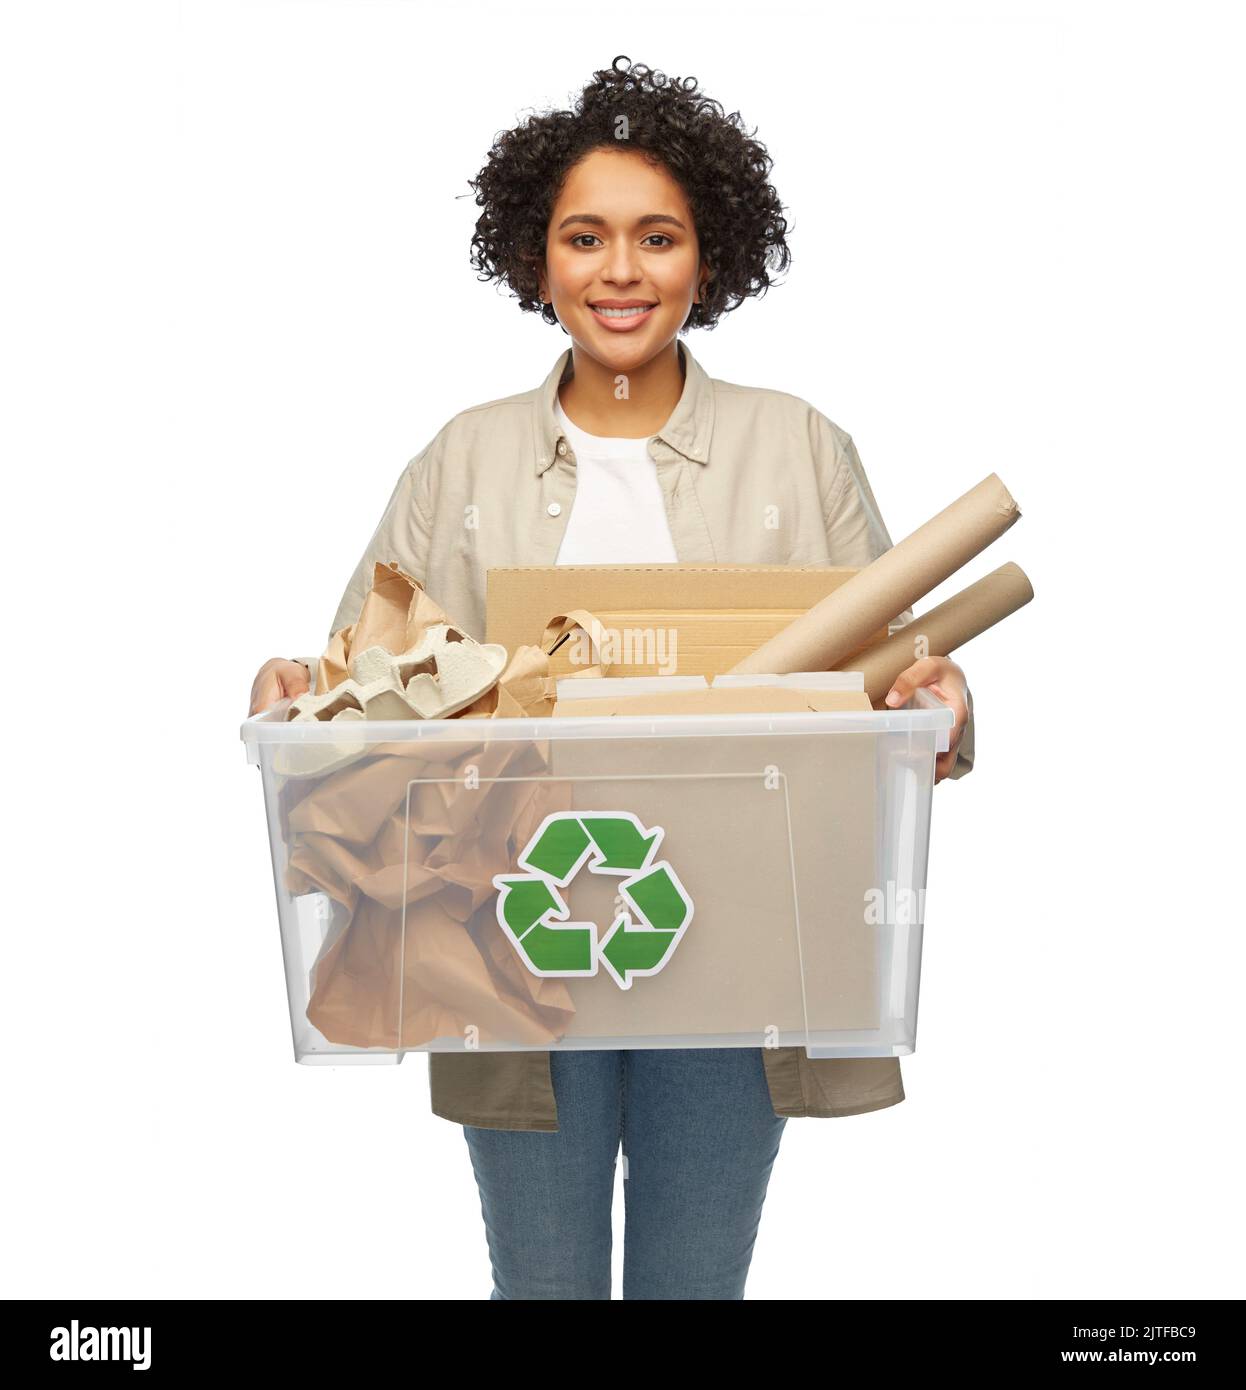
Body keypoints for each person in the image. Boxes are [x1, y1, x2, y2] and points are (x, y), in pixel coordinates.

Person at [249, 56, 973, 1300]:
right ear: (535, 261)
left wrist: (942, 706)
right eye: (584, 238)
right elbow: (370, 693)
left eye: (658, 236)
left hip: (738, 952)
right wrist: (297, 688)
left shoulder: (798, 449)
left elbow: (891, 692)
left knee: (694, 1286)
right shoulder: (462, 460)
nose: (620, 271)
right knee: (542, 1287)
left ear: (708, 255)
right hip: (508, 949)